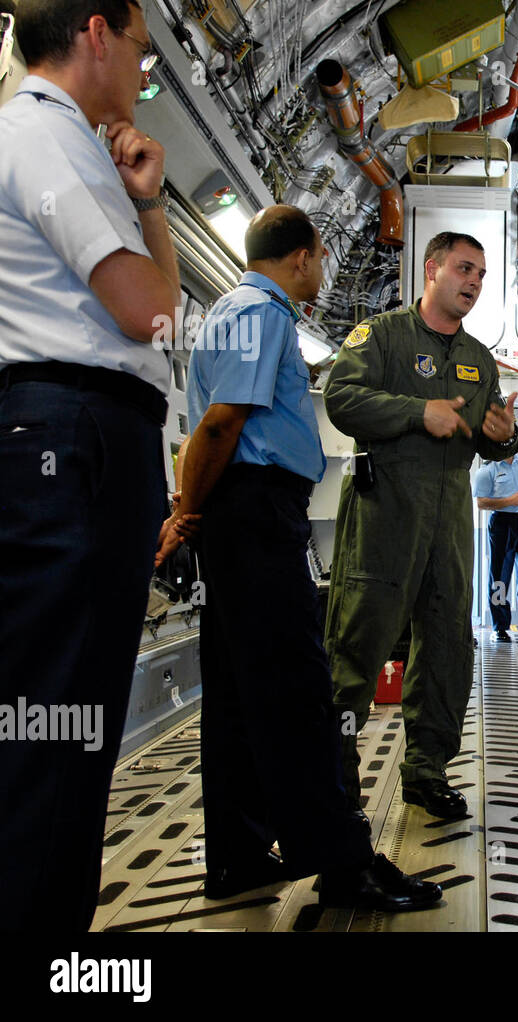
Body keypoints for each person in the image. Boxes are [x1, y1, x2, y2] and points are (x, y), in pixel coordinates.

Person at [158, 205, 440, 911]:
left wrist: (188, 508)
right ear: (304, 255)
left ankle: (238, 855)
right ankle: (343, 864)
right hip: (253, 509)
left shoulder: (223, 309)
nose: (324, 270)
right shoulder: (263, 313)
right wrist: (188, 510)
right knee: (294, 688)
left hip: (232, 508)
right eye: (322, 258)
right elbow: (226, 420)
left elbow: (210, 426)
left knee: (235, 696)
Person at [0, 0, 180, 931]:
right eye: (144, 49)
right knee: (51, 723)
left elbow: (157, 305)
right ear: (98, 33)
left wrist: (148, 200)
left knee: (73, 728)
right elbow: (148, 308)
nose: (147, 72)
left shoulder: (78, 144)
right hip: (65, 442)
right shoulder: (40, 135)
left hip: (83, 441)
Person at [324, 231, 518, 821]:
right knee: (356, 647)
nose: (475, 283)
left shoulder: (479, 359)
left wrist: (505, 436)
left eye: (482, 275)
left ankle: (427, 772)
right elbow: (342, 399)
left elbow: (494, 443)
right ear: (430, 269)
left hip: (450, 525)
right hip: (385, 513)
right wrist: (417, 412)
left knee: (445, 646)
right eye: (465, 269)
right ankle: (333, 782)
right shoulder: (380, 336)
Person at [474, 450, 518, 641]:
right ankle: (499, 627)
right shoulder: (489, 468)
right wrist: (509, 501)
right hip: (502, 524)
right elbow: (481, 502)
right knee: (499, 577)